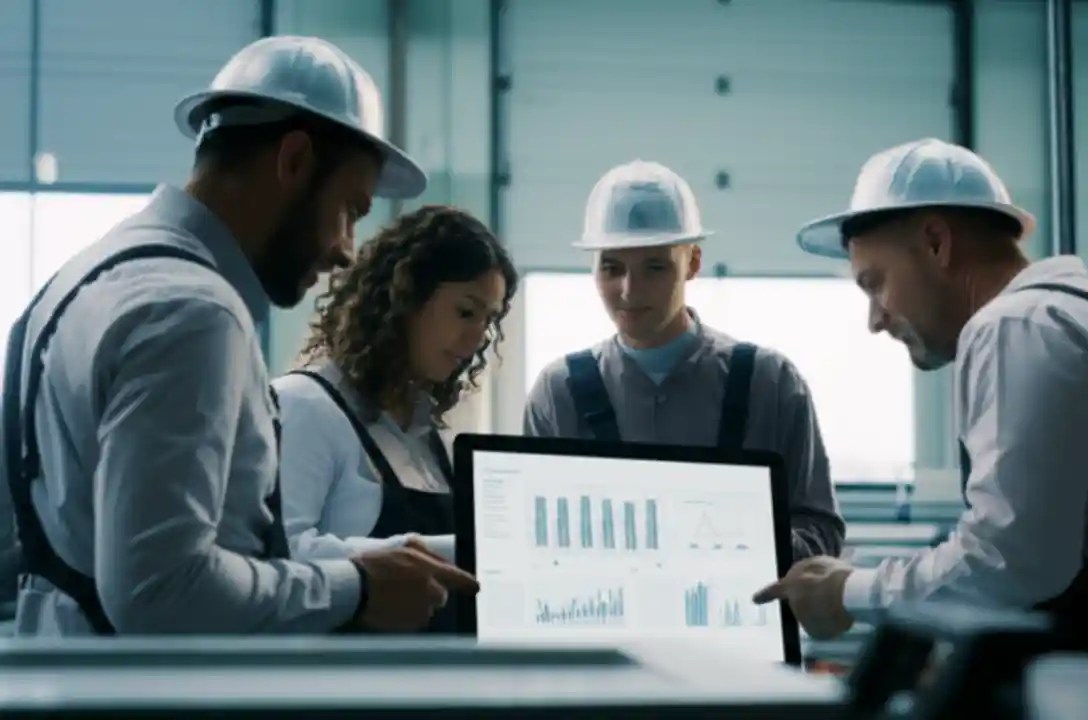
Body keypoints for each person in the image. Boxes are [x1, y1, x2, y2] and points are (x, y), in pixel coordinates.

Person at [0, 35, 478, 636]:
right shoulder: (192, 313)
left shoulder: (78, 283)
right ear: (295, 161)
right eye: (351, 210)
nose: (346, 252)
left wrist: (361, 564)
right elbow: (161, 591)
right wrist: (354, 589)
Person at [753, 138, 1088, 650]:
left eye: (874, 283)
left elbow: (1011, 560)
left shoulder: (1017, 325)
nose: (875, 319)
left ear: (937, 243)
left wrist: (848, 592)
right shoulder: (1085, 316)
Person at [523, 159, 845, 562]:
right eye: (612, 268)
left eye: (654, 267)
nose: (628, 290)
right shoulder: (558, 393)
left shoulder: (772, 384)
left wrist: (735, 544)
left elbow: (821, 534)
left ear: (692, 262)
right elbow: (534, 543)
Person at [271, 204, 517, 632]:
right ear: (404, 297)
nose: (478, 337)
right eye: (465, 311)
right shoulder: (304, 407)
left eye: (488, 320)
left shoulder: (429, 438)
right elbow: (278, 560)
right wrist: (452, 552)